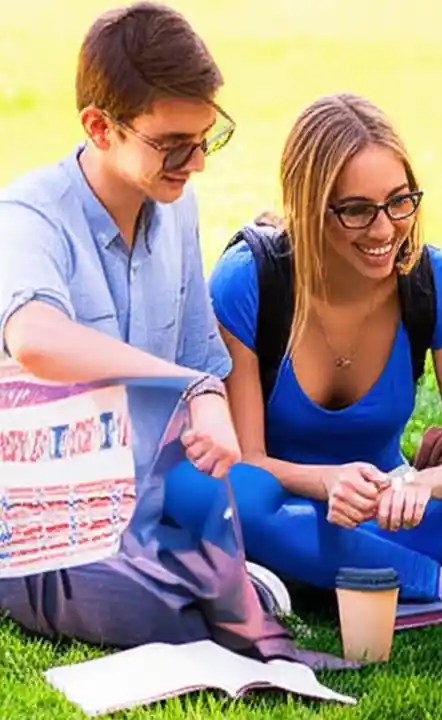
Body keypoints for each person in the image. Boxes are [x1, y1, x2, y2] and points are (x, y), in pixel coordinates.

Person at [0, 2, 341, 667]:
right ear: (100, 127)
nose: (197, 163)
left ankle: (218, 579)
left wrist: (207, 400)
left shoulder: (174, 206)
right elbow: (35, 338)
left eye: (206, 137)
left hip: (147, 500)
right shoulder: (28, 215)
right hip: (43, 517)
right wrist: (183, 383)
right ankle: (217, 586)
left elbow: (199, 357)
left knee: (249, 492)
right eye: (173, 144)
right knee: (160, 610)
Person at [168, 93, 442, 607]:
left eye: (399, 202)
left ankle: (297, 568)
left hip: (384, 506)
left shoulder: (433, 281)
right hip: (281, 496)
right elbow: (246, 459)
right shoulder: (249, 280)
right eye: (356, 211)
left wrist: (425, 485)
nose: (384, 230)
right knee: (219, 495)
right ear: (310, 209)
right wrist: (328, 482)